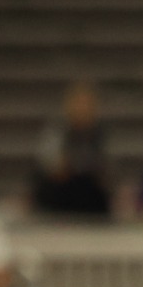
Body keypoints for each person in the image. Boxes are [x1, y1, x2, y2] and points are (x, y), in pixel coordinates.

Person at [30, 80, 112, 219]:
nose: (82, 109)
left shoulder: (100, 135)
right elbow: (51, 165)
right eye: (79, 104)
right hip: (62, 192)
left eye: (86, 104)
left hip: (89, 194)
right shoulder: (58, 131)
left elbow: (107, 170)